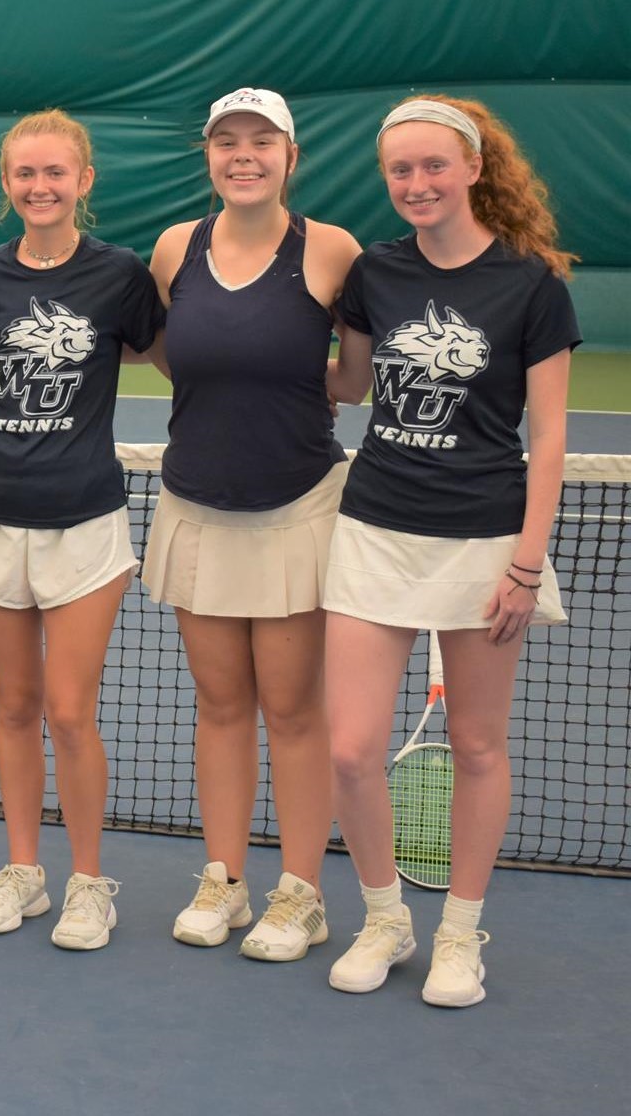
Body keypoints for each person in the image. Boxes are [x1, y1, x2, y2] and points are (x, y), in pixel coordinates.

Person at [322, 94, 577, 1008]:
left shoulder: (532, 286)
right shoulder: (375, 276)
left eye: (435, 166)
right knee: (350, 750)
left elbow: (547, 438)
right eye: (401, 169)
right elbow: (348, 383)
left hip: (485, 538)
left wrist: (523, 562)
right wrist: (250, 356)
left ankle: (461, 934)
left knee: (475, 744)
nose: (417, 183)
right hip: (375, 529)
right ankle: (386, 918)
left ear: (474, 168)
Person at [144, 89, 362, 959]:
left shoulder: (332, 251)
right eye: (227, 142)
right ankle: (224, 879)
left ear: (290, 157)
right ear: (208, 156)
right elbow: (171, 353)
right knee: (221, 704)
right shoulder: (174, 250)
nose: (244, 156)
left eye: (261, 142)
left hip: (298, 509)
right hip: (196, 504)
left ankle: (301, 892)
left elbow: (354, 377)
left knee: (294, 710)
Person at [0, 109, 164, 950]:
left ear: (84, 181)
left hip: (86, 523)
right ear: (7, 186)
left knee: (71, 712)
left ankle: (87, 882)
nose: (40, 187)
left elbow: (172, 356)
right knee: (15, 707)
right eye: (24, 175)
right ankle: (24, 873)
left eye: (55, 173)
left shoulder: (120, 276)